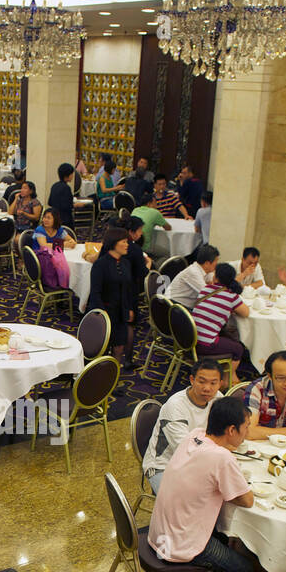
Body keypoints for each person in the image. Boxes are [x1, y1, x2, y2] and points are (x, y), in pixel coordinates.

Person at [147, 396, 256, 572]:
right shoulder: (221, 458)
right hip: (184, 542)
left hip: (160, 532)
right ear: (231, 430)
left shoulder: (194, 436)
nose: (247, 433)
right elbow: (247, 501)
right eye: (246, 427)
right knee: (244, 571)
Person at [142, 360, 224, 494]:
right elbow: (185, 449)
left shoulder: (218, 399)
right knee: (191, 499)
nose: (207, 388)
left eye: (213, 383)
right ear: (192, 380)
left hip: (200, 459)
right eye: (202, 381)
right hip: (164, 466)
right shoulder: (176, 406)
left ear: (220, 384)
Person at [88, 227, 137, 368]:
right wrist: (102, 316)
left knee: (119, 348)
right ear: (114, 243)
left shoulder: (125, 263)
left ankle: (113, 377)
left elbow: (128, 289)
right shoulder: (100, 265)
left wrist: (129, 308)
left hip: (121, 312)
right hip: (105, 312)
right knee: (102, 350)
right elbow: (95, 293)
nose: (127, 245)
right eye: (124, 242)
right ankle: (100, 377)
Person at [192, 262, 248, 367]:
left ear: (216, 278)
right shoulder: (231, 296)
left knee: (226, 334)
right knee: (238, 348)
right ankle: (230, 375)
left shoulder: (205, 289)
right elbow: (246, 313)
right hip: (205, 345)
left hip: (190, 340)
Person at [33, 208, 75, 292]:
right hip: (40, 257)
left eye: (49, 218)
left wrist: (70, 242)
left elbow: (72, 241)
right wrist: (63, 244)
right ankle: (56, 283)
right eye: (44, 217)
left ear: (55, 219)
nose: (45, 220)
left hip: (55, 255)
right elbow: (44, 245)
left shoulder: (59, 230)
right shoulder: (40, 230)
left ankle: (69, 284)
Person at [168, 243, 220, 309]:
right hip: (174, 305)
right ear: (207, 263)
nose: (217, 264)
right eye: (216, 261)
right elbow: (209, 294)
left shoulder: (207, 271)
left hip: (186, 305)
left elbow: (214, 285)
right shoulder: (193, 272)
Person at [47, 163, 77, 228]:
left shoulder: (54, 186)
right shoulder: (66, 188)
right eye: (71, 174)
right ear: (67, 175)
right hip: (65, 219)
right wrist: (76, 205)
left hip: (54, 216)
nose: (72, 176)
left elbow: (50, 202)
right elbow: (68, 206)